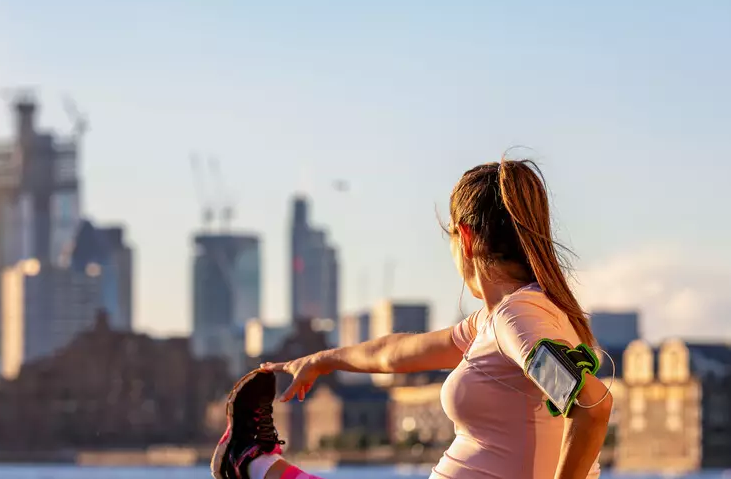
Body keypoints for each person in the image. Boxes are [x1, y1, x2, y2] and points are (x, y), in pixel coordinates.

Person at [211, 159, 612, 479]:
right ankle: (252, 462)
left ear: (466, 238)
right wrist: (323, 360)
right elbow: (396, 353)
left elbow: (591, 405)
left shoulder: (516, 318)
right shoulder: (500, 322)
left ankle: (250, 462)